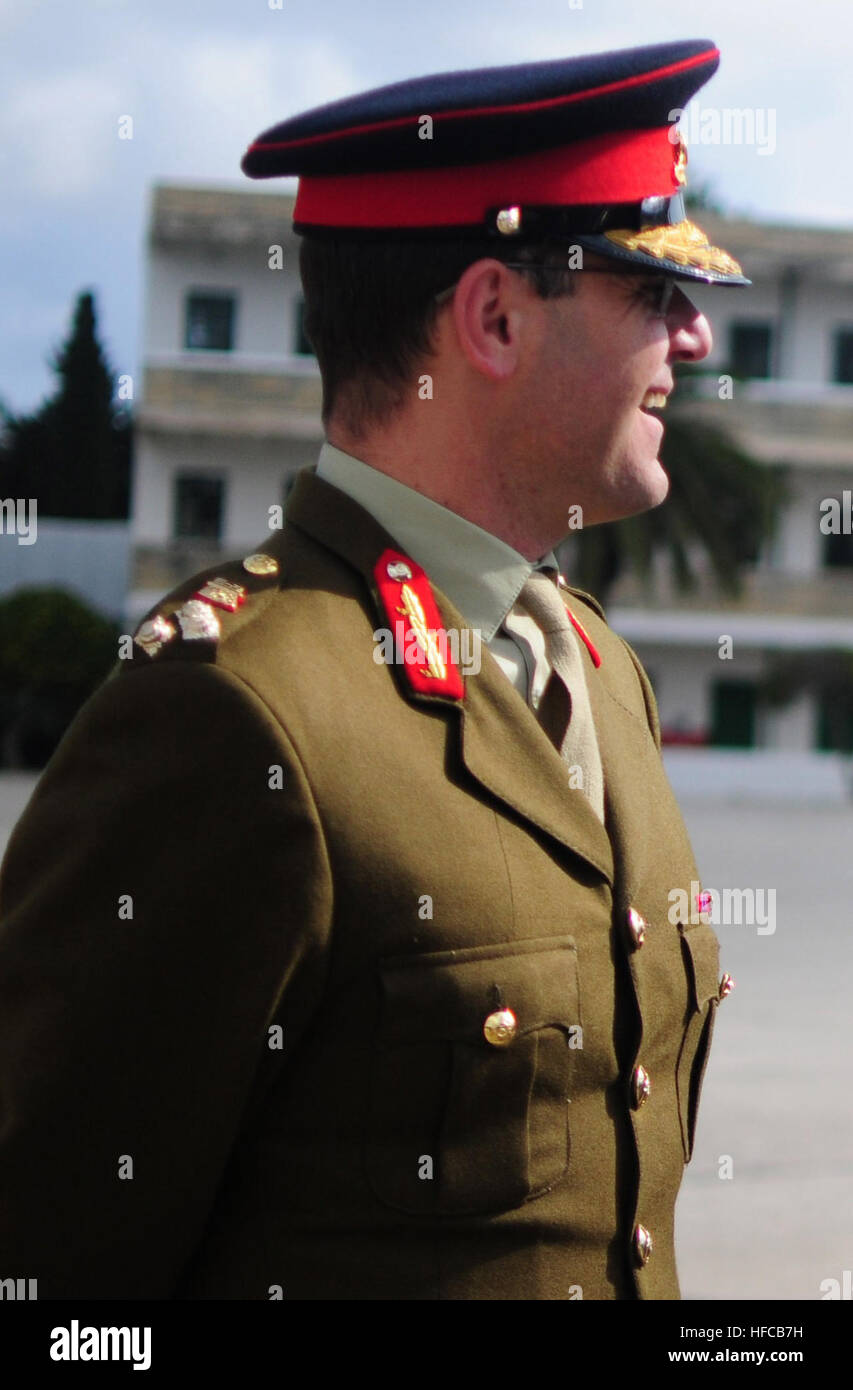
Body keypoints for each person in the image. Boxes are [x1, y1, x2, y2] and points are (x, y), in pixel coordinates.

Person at [0, 38, 743, 1300]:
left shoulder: (600, 674)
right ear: (494, 318)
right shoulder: (231, 712)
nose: (696, 333)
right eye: (646, 289)